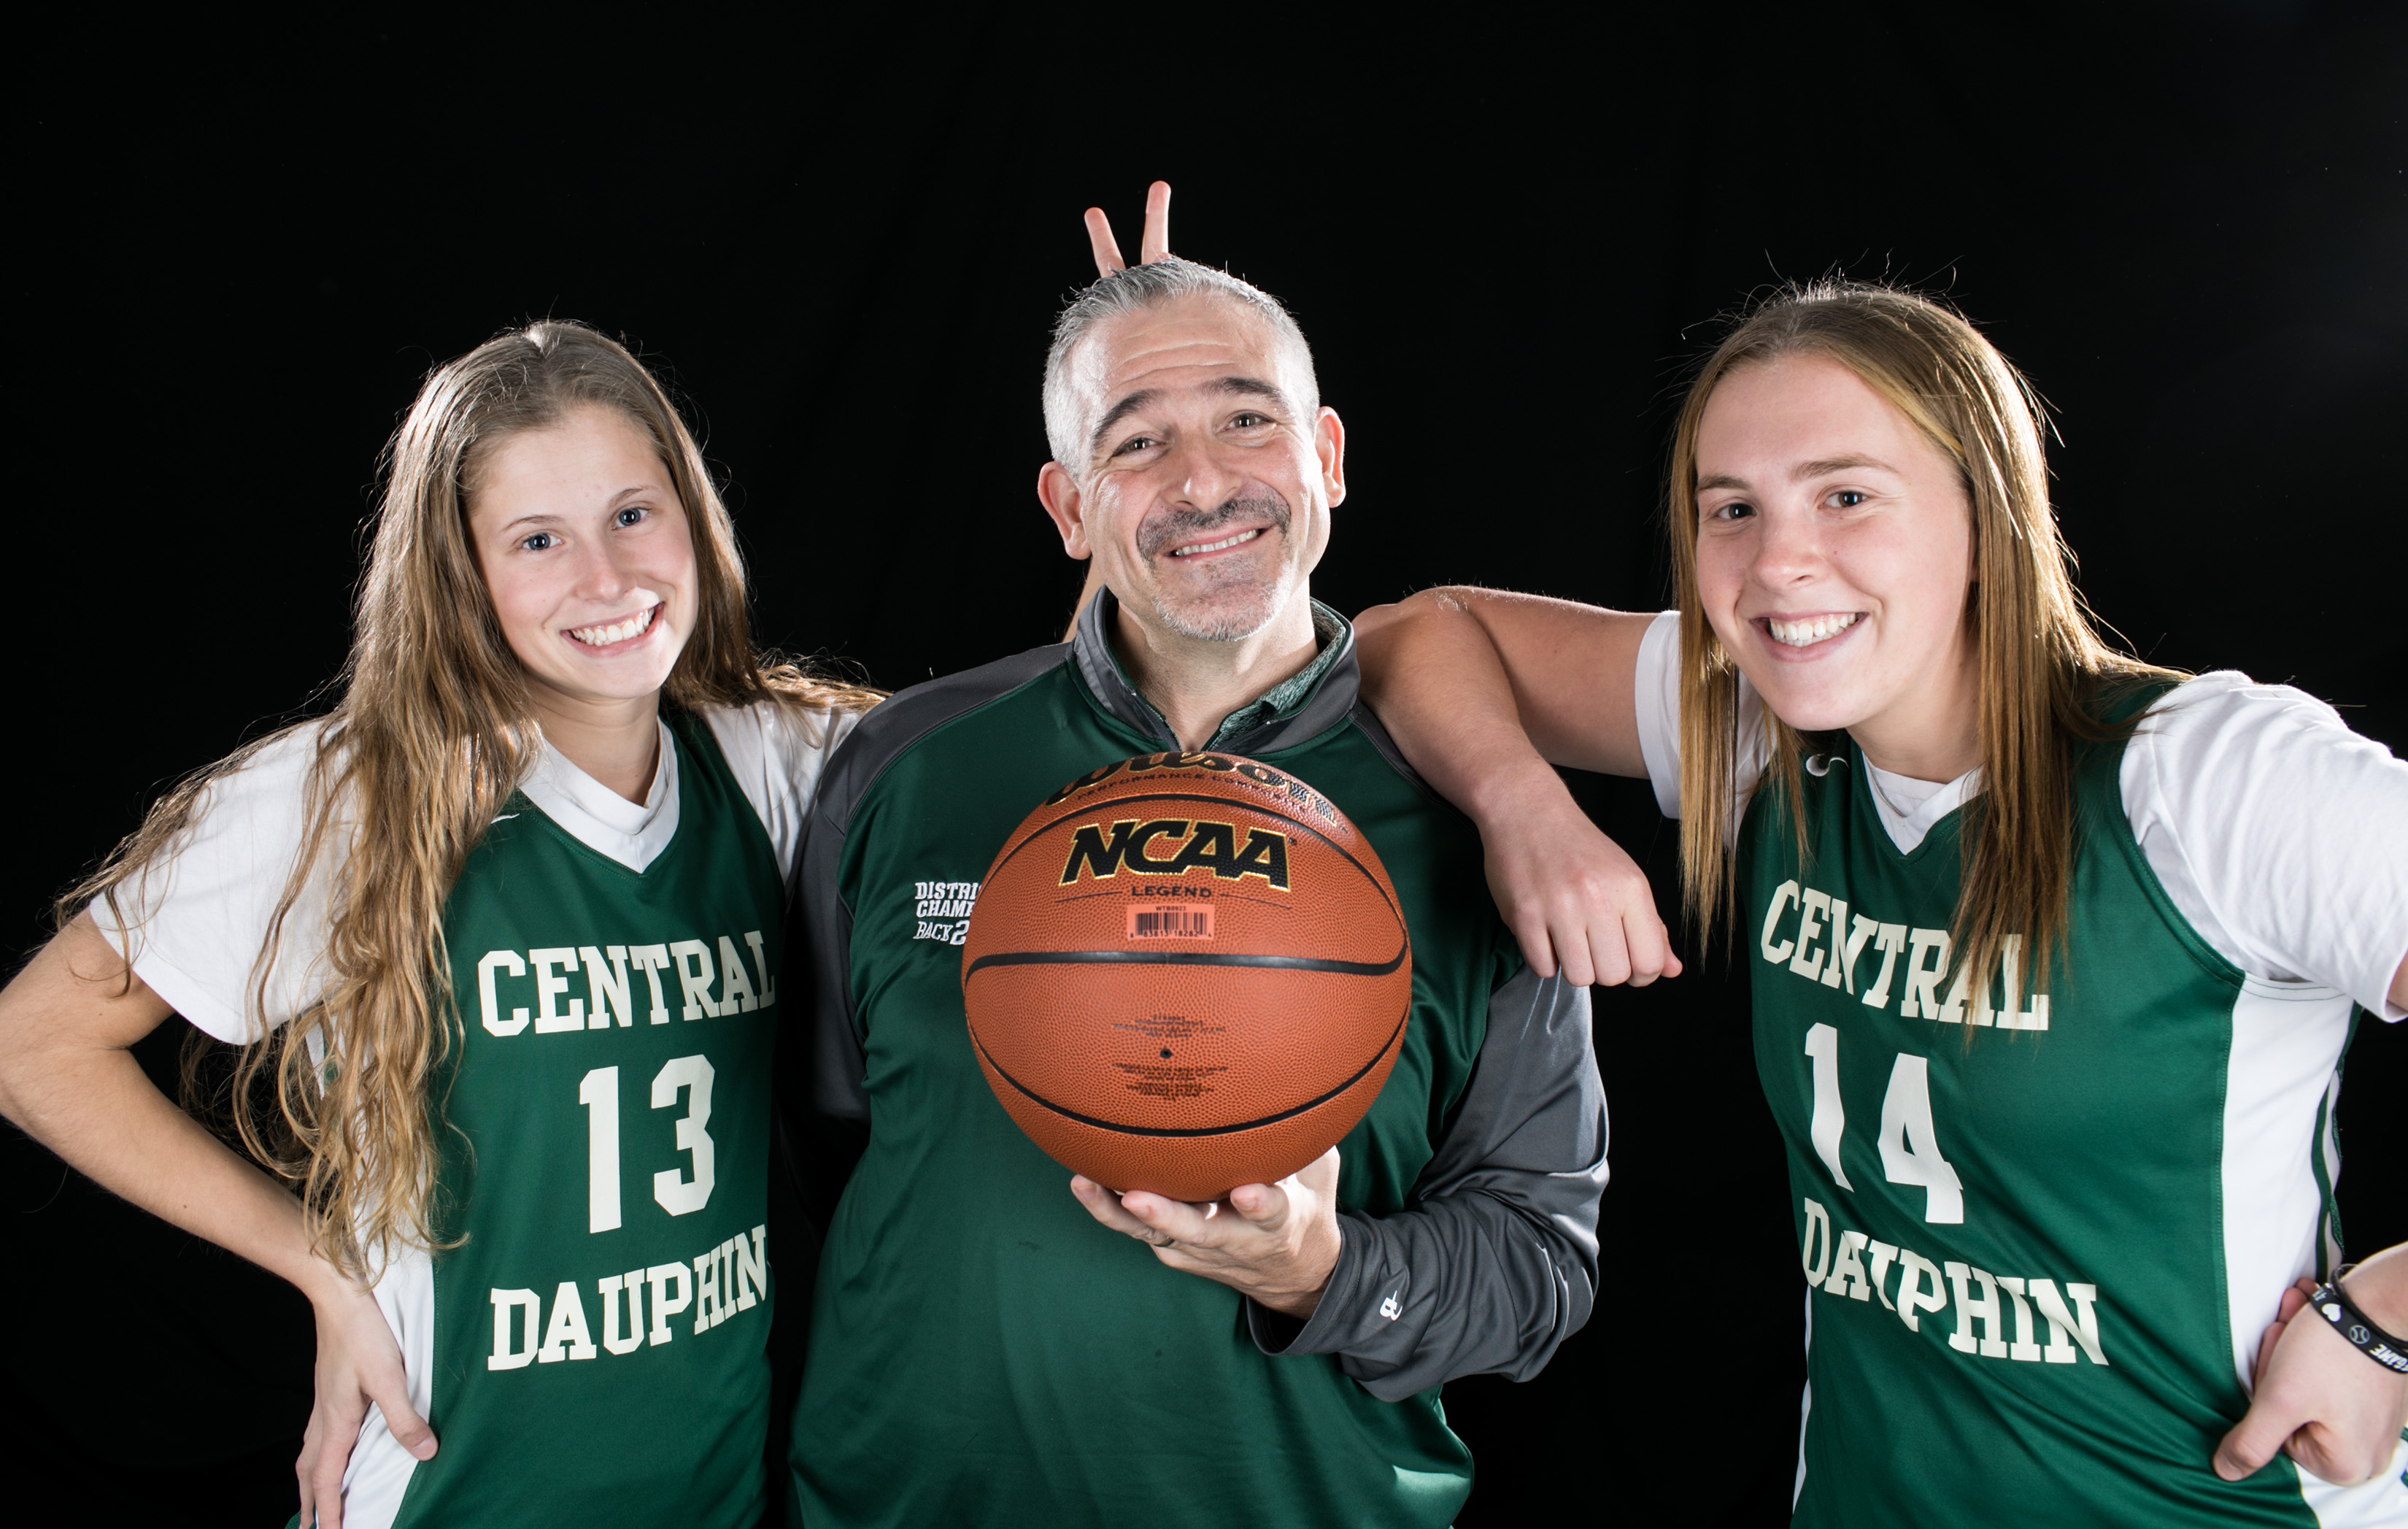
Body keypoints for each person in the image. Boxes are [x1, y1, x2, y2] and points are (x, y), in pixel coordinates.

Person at [1352, 282, 2408, 1524]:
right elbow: (1417, 635)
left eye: (1846, 495)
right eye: (1730, 509)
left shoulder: (2207, 776)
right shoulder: (1759, 731)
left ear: (1986, 512)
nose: (1777, 562)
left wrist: (2384, 1318)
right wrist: (1524, 814)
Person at [780, 189, 1608, 1528]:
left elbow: (1534, 1269)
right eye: (1138, 444)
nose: (1208, 483)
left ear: (1328, 455)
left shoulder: (1471, 816)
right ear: (1067, 506)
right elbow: (826, 1150)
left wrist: (1320, 1269)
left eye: (1246, 419)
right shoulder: (907, 763)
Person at [0, 322, 876, 1529]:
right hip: (448, 1496)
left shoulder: (765, 760)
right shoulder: (351, 798)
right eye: (536, 540)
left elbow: (1052, 730)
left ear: (694, 514)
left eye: (633, 513)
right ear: (460, 573)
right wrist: (317, 1265)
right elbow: (29, 1043)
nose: (607, 579)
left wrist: (1130, 415)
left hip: (710, 1494)